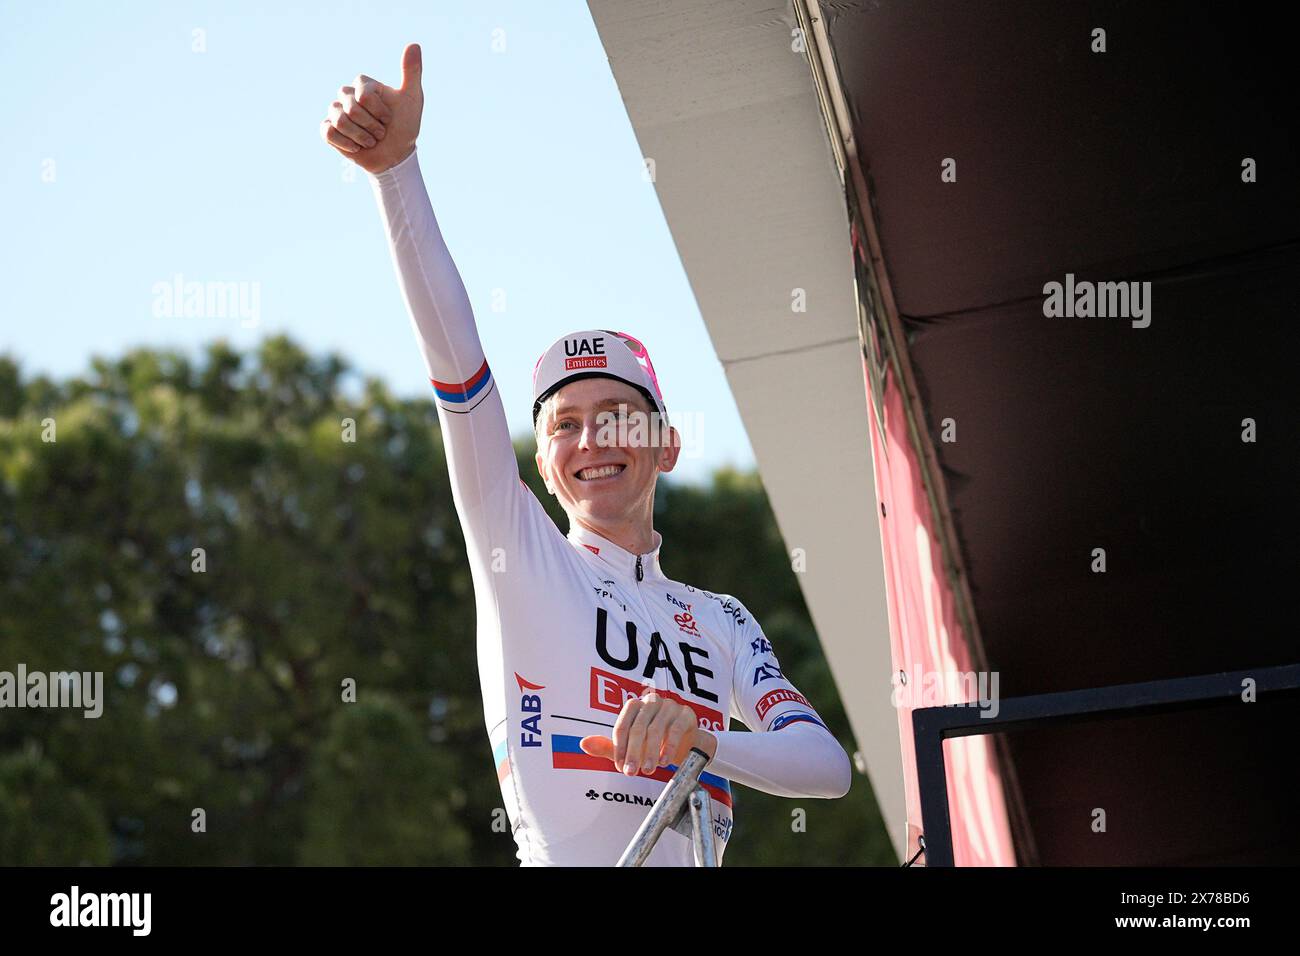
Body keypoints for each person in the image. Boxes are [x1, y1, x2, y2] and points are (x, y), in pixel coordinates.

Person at [320, 43, 851, 866]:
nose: (590, 439)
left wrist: (702, 742)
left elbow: (825, 768)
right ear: (542, 465)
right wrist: (396, 173)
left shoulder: (723, 619)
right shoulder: (519, 550)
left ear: (666, 446)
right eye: (564, 425)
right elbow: (456, 360)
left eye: (616, 416)